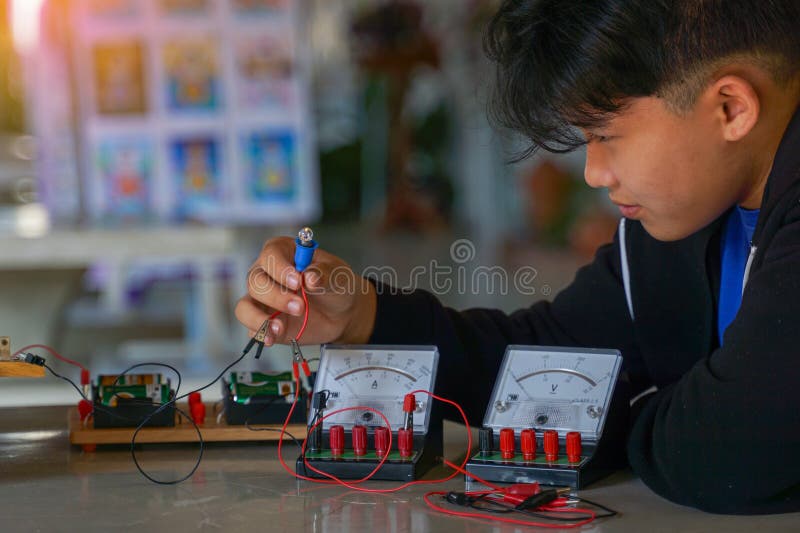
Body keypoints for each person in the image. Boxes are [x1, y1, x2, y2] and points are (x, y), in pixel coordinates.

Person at [235, 0, 800, 515]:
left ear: (730, 107)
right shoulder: (681, 226)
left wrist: (599, 421)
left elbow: (730, 452)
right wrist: (363, 316)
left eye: (606, 135)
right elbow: (546, 360)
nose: (594, 173)